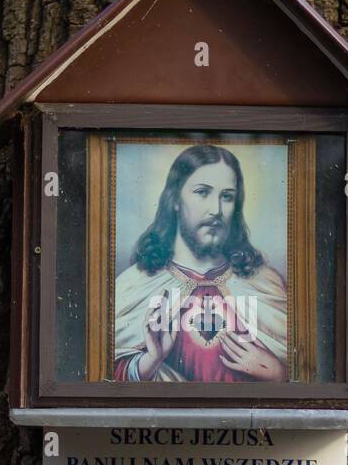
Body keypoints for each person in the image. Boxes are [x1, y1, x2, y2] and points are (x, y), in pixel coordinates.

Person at [113, 144, 288, 382]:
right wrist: (149, 362)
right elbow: (102, 378)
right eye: (202, 192)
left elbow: (308, 374)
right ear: (174, 199)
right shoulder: (134, 285)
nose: (216, 210)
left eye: (227, 197)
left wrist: (279, 373)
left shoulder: (265, 284)